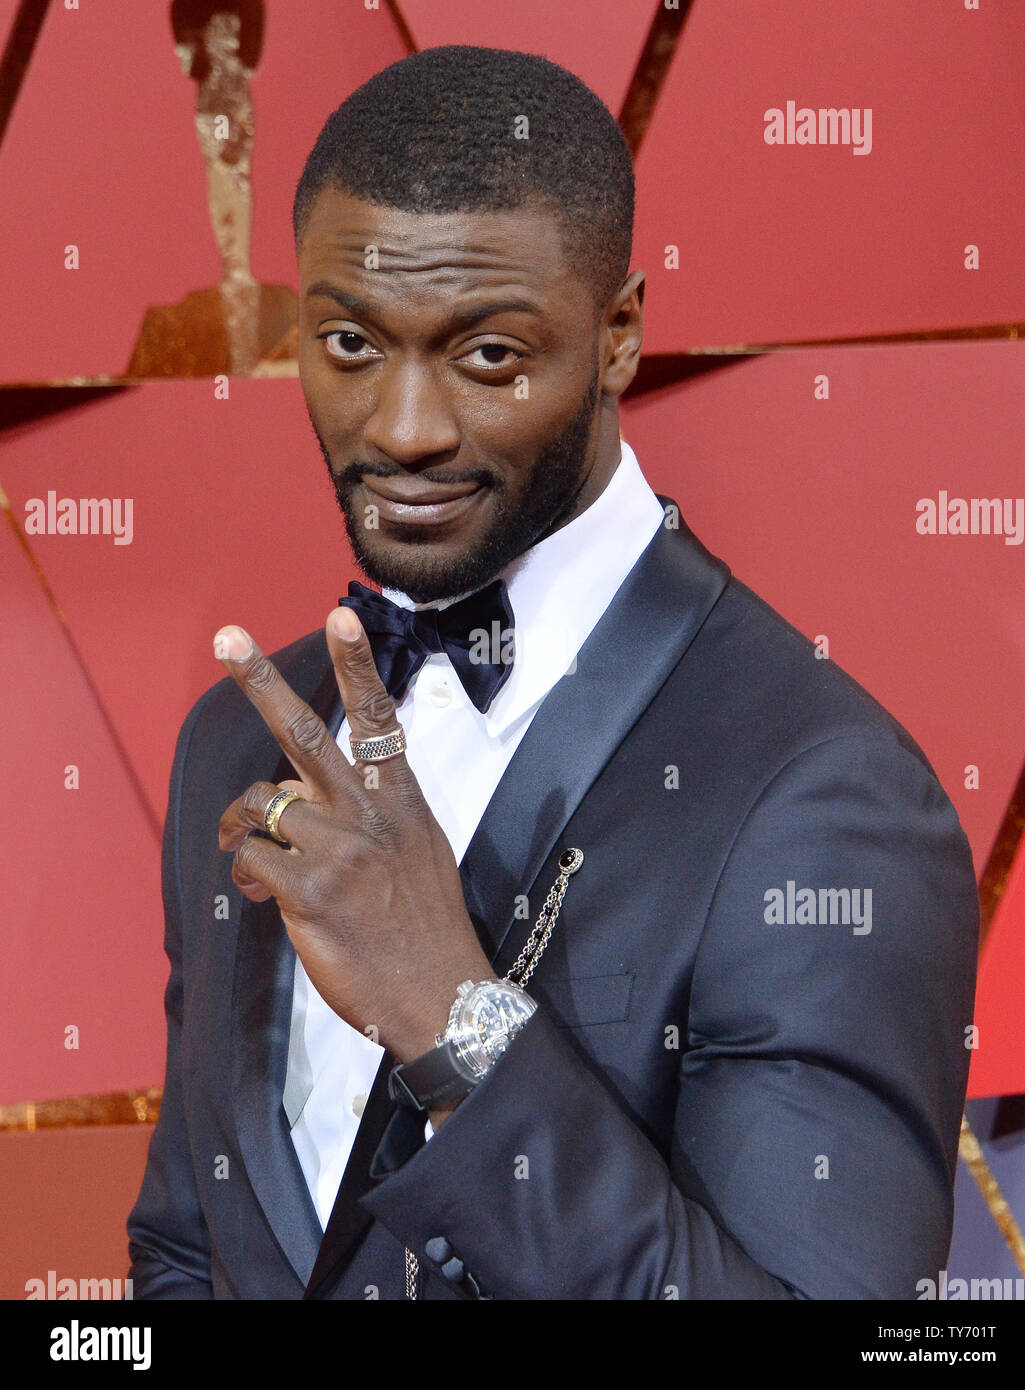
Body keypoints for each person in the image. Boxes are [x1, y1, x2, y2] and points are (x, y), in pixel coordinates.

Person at [127, 45, 980, 1300]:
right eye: (350, 343)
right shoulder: (238, 737)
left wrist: (453, 1017)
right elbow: (190, 1247)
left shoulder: (823, 797)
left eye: (486, 358)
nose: (403, 429)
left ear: (619, 335)